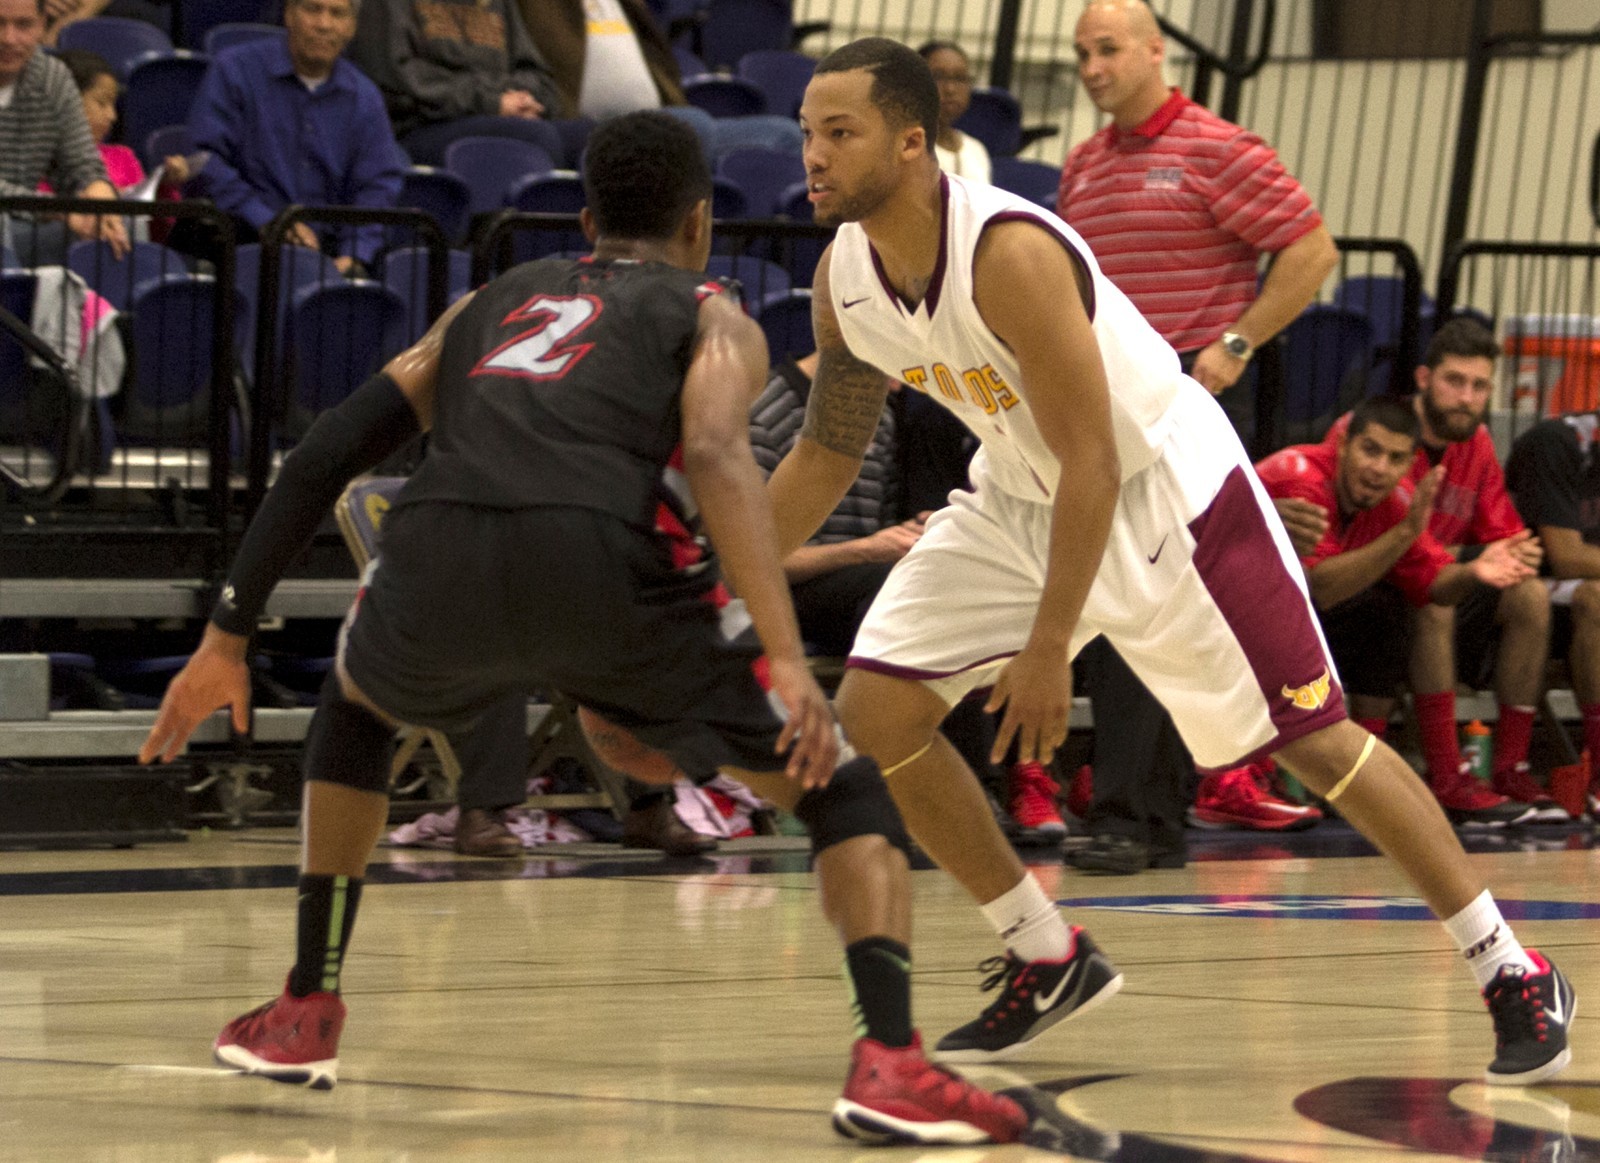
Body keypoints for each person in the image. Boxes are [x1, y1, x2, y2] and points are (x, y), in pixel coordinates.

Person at [137, 111, 1028, 1147]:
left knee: (360, 705)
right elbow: (716, 452)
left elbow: (326, 449)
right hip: (605, 563)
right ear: (700, 222)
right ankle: (890, 1062)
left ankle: (304, 1005)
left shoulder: (487, 301)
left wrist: (228, 635)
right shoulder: (714, 311)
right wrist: (781, 652)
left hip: (438, 556)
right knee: (843, 791)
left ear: (584, 216)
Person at [770, 36, 1573, 1085]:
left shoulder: (1006, 252)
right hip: (1018, 497)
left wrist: (1050, 643)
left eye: (841, 133)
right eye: (806, 134)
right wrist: (720, 562)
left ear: (913, 144)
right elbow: (828, 446)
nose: (814, 157)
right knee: (878, 711)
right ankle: (1045, 951)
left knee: (1315, 743)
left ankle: (1509, 966)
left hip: (1164, 493)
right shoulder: (844, 277)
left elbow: (1096, 459)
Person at [1054, 0, 1339, 868]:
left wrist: (1235, 343)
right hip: (1103, 405)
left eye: (1108, 50)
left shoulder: (1218, 148)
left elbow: (1312, 250)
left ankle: (1140, 814)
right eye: (1082, 54)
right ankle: (1131, 809)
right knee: (1116, 596)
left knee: (1166, 598)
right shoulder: (1083, 166)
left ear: (1154, 52)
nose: (1093, 67)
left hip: (1185, 400)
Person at [750, 352, 1057, 838]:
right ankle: (946, 789)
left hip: (856, 584)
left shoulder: (881, 411)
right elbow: (747, 557)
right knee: (901, 595)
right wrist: (865, 549)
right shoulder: (769, 409)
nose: (900, 388)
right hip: (785, 593)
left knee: (957, 588)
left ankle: (986, 784)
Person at [1256, 397, 1543, 826]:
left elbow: (1436, 584)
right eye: (1370, 450)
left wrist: (1475, 572)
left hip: (1301, 627)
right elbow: (1321, 588)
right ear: (1343, 446)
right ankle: (1235, 781)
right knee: (1343, 603)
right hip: (1229, 617)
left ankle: (1361, 781)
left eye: (1394, 459)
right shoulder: (1302, 477)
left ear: (1409, 465)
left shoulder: (1392, 504)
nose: (1379, 468)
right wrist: (1406, 533)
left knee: (1390, 610)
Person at [1325, 318, 1559, 823]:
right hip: (1365, 587)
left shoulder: (1476, 445)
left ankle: (1511, 766)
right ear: (1424, 378)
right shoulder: (1376, 432)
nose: (1466, 397)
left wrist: (1516, 558)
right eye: (1455, 381)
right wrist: (1462, 559)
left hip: (1432, 574)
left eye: (1479, 386)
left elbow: (1505, 538)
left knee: (1528, 593)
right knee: (1434, 597)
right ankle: (1447, 773)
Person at [183, 0, 406, 275]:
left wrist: (354, 254)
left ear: (351, 27)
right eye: (313, 9)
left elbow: (378, 186)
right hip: (240, 244)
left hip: (329, 256)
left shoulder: (364, 97)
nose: (324, 25)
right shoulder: (235, 70)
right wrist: (268, 220)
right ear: (289, 15)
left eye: (337, 14)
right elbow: (204, 159)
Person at [519, 0, 804, 162]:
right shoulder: (537, 8)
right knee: (693, 126)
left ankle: (749, 258)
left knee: (785, 134)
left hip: (662, 118)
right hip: (593, 129)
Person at [1501, 408, 1600, 819]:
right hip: (1517, 589)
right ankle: (1513, 767)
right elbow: (1565, 557)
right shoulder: (1559, 442)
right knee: (1596, 597)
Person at [346, 0, 564, 167]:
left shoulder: (499, 4)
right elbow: (398, 80)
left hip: (498, 115)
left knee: (587, 138)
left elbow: (539, 78)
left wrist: (520, 101)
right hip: (421, 126)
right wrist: (491, 102)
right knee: (537, 138)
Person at [0, 0, 128, 263]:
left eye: (23, 25)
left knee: (119, 228)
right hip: (17, 222)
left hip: (26, 224)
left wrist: (98, 191)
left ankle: (103, 305)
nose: (9, 38)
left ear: (42, 24)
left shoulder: (53, 78)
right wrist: (56, 209)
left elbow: (81, 163)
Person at [47, 50, 190, 198]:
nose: (112, 116)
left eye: (113, 105)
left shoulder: (123, 158)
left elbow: (152, 219)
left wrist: (164, 187)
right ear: (66, 102)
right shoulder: (37, 159)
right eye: (101, 103)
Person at [916, 41, 989, 186]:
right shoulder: (908, 147)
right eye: (938, 77)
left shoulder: (975, 149)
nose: (950, 89)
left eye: (960, 78)